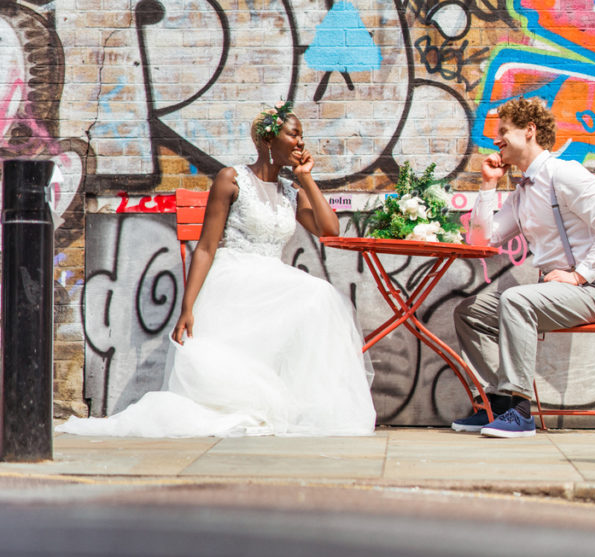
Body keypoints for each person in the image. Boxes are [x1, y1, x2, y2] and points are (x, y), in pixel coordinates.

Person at [59, 101, 376, 438]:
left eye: (301, 136)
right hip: (236, 279)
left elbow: (330, 229)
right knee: (317, 295)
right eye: (293, 134)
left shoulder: (289, 190)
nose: (300, 142)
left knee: (322, 296)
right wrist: (188, 307)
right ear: (268, 140)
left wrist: (306, 179)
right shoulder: (232, 179)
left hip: (273, 279)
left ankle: (301, 404)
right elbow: (207, 248)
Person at [451, 96, 595, 438]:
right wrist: (488, 185)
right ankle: (498, 404)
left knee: (517, 299)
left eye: (503, 131)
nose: (496, 139)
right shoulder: (521, 194)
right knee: (469, 311)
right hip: (559, 292)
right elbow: (482, 242)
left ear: (529, 131)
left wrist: (579, 275)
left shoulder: (564, 174)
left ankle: (520, 410)